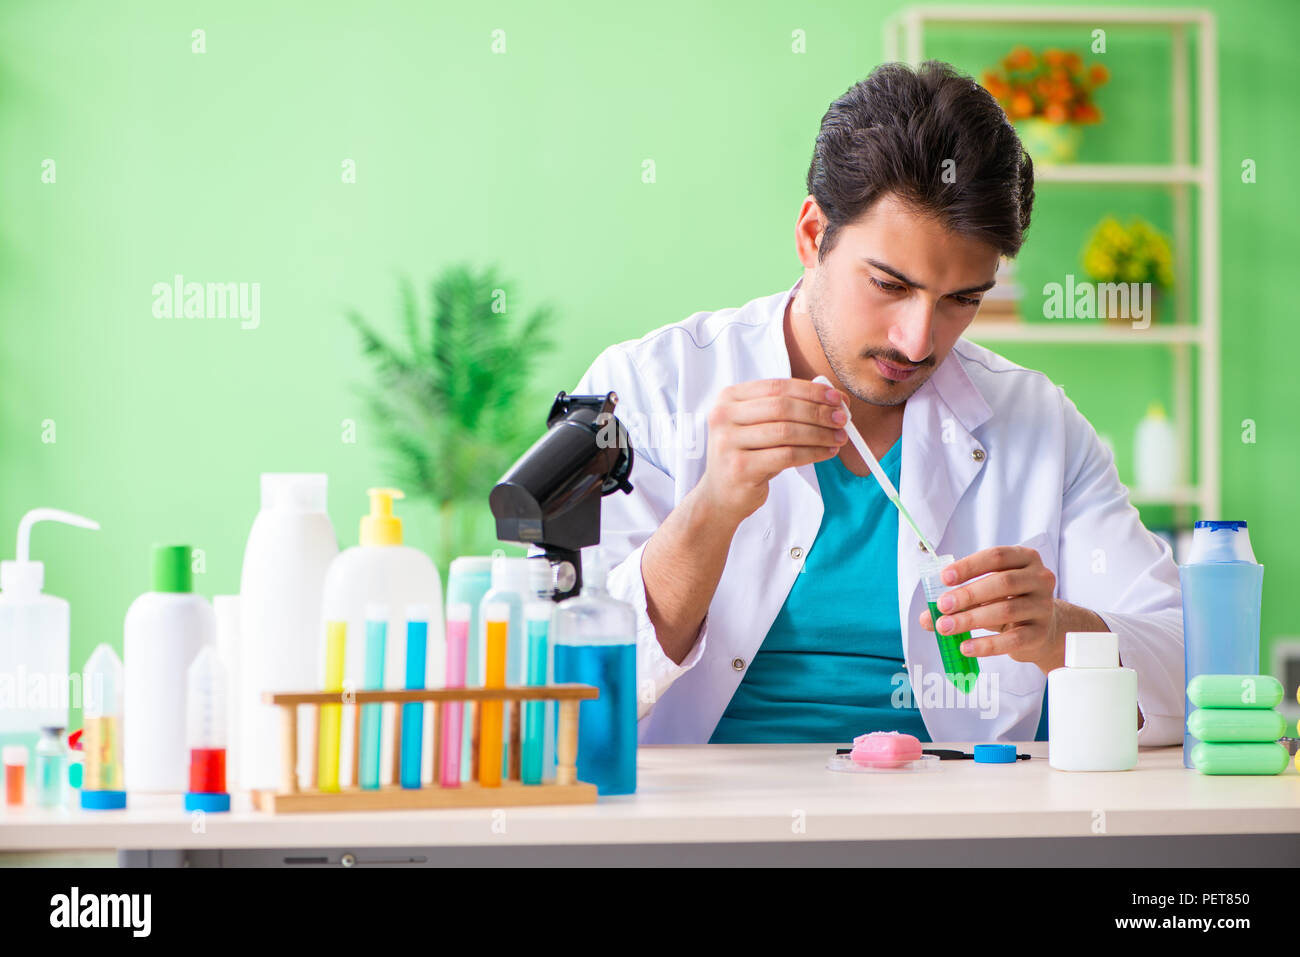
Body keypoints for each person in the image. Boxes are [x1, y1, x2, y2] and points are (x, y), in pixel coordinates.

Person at [571, 60, 1183, 746]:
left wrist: (1056, 631)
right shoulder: (651, 387)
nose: (919, 341)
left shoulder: (1037, 423)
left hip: (948, 823)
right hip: (710, 826)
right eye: (890, 285)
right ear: (813, 236)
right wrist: (711, 509)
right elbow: (572, 684)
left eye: (961, 300)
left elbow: (1180, 660)